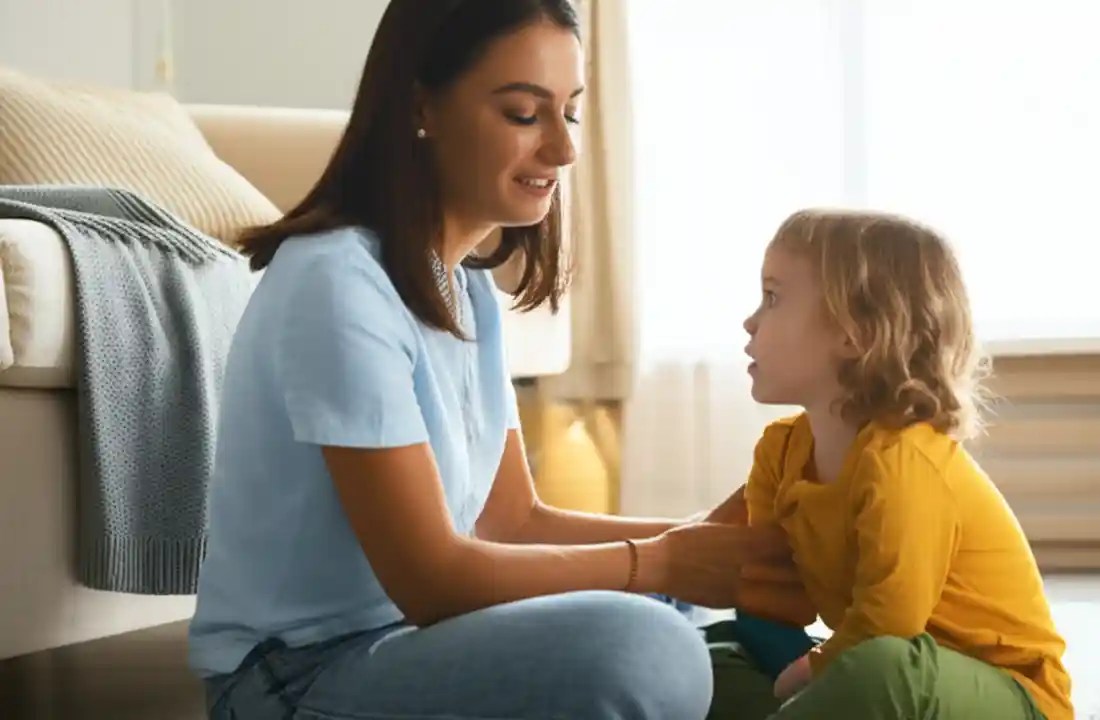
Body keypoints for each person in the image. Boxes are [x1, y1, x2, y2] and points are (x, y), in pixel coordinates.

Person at [187, 2, 810, 718]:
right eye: (523, 114)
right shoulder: (334, 281)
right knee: (646, 643)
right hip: (293, 678)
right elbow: (431, 580)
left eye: (569, 114)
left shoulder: (468, 290)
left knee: (678, 615)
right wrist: (666, 560)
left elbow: (511, 521)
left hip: (409, 643)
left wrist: (694, 538)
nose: (564, 150)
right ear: (421, 106)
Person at [727, 209, 1074, 719]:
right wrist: (759, 631)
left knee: (884, 667)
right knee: (714, 654)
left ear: (854, 333)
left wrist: (815, 671)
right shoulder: (779, 452)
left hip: (1006, 695)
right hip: (868, 670)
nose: (750, 320)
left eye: (773, 297)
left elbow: (889, 628)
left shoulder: (902, 462)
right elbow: (774, 594)